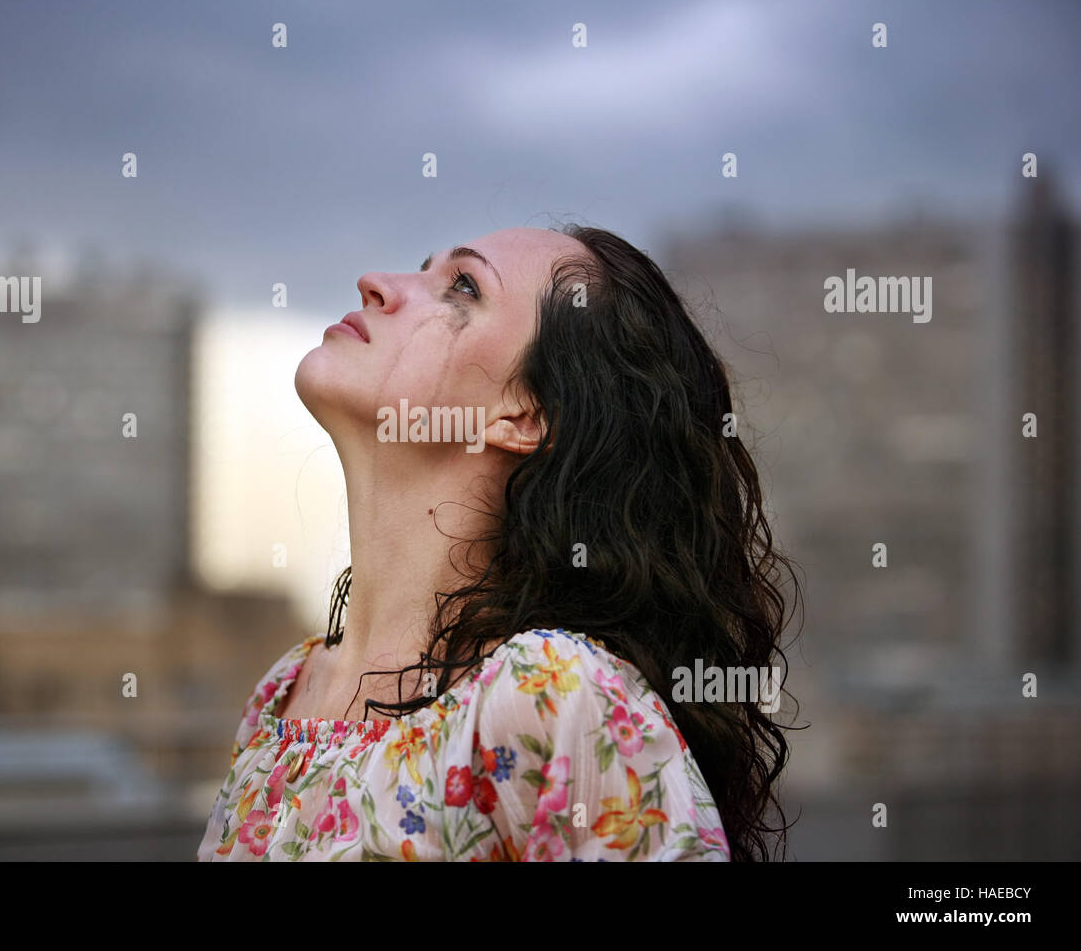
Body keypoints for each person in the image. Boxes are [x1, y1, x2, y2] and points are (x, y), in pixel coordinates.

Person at [198, 224, 799, 861]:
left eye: (462, 287)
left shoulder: (553, 692)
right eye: (423, 269)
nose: (374, 284)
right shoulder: (285, 688)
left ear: (524, 417)